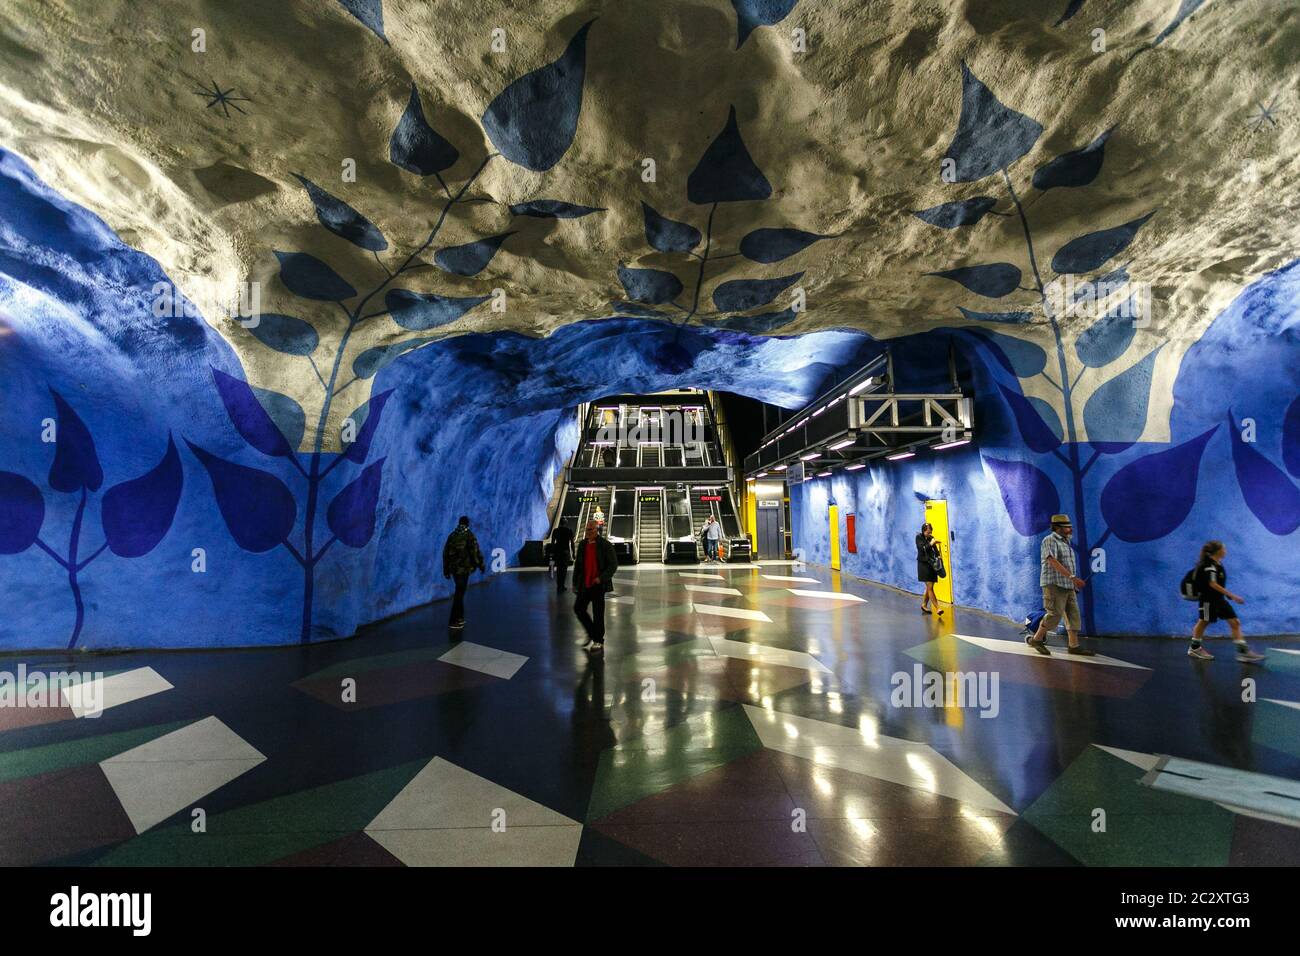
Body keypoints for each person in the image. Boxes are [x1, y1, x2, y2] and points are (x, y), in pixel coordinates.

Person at [1026, 513, 1094, 656]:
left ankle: (1073, 646)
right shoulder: (1049, 540)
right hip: (1054, 584)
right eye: (1067, 527)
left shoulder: (1065, 542)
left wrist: (1072, 582)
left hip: (1067, 585)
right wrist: (1073, 577)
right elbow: (1052, 561)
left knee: (1073, 615)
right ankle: (1037, 639)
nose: (1070, 529)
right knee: (1054, 614)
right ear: (1058, 528)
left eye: (1070, 526)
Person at [1187, 540, 1265, 663]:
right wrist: (1232, 595)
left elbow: (1217, 584)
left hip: (1219, 600)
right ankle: (1194, 648)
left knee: (1235, 622)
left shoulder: (1218, 564)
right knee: (1204, 622)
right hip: (1208, 600)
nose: (1225, 551)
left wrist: (1226, 596)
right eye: (1224, 549)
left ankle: (1243, 653)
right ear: (1217, 551)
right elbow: (1212, 584)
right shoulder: (1209, 565)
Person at [572, 519, 618, 654]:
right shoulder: (582, 545)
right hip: (584, 584)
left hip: (598, 585)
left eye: (590, 530)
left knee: (598, 613)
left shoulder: (605, 545)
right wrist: (575, 583)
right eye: (586, 529)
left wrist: (601, 578)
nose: (587, 532)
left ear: (597, 530)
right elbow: (578, 566)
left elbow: (613, 565)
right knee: (578, 608)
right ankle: (592, 633)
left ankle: (598, 640)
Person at [441, 515, 485, 631]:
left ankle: (459, 617)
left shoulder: (452, 535)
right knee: (459, 594)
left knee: (459, 592)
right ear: (467, 524)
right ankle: (453, 620)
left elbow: (445, 554)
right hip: (464, 569)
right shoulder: (469, 535)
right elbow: (475, 552)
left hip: (454, 570)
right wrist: (480, 565)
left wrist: (446, 570)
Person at [915, 523, 942, 615]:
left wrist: (938, 556)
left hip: (931, 564)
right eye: (927, 532)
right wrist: (931, 543)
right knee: (930, 587)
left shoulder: (931, 537)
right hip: (923, 564)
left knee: (929, 587)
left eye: (930, 532)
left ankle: (924, 605)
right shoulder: (918, 538)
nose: (929, 534)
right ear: (923, 531)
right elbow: (922, 549)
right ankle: (938, 608)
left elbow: (935, 549)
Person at [550, 521, 575, 594]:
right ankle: (562, 585)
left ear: (560, 523)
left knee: (558, 569)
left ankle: (559, 585)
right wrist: (573, 553)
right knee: (564, 569)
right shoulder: (569, 531)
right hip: (565, 552)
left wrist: (552, 553)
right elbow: (572, 543)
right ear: (566, 523)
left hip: (557, 552)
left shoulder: (556, 530)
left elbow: (552, 542)